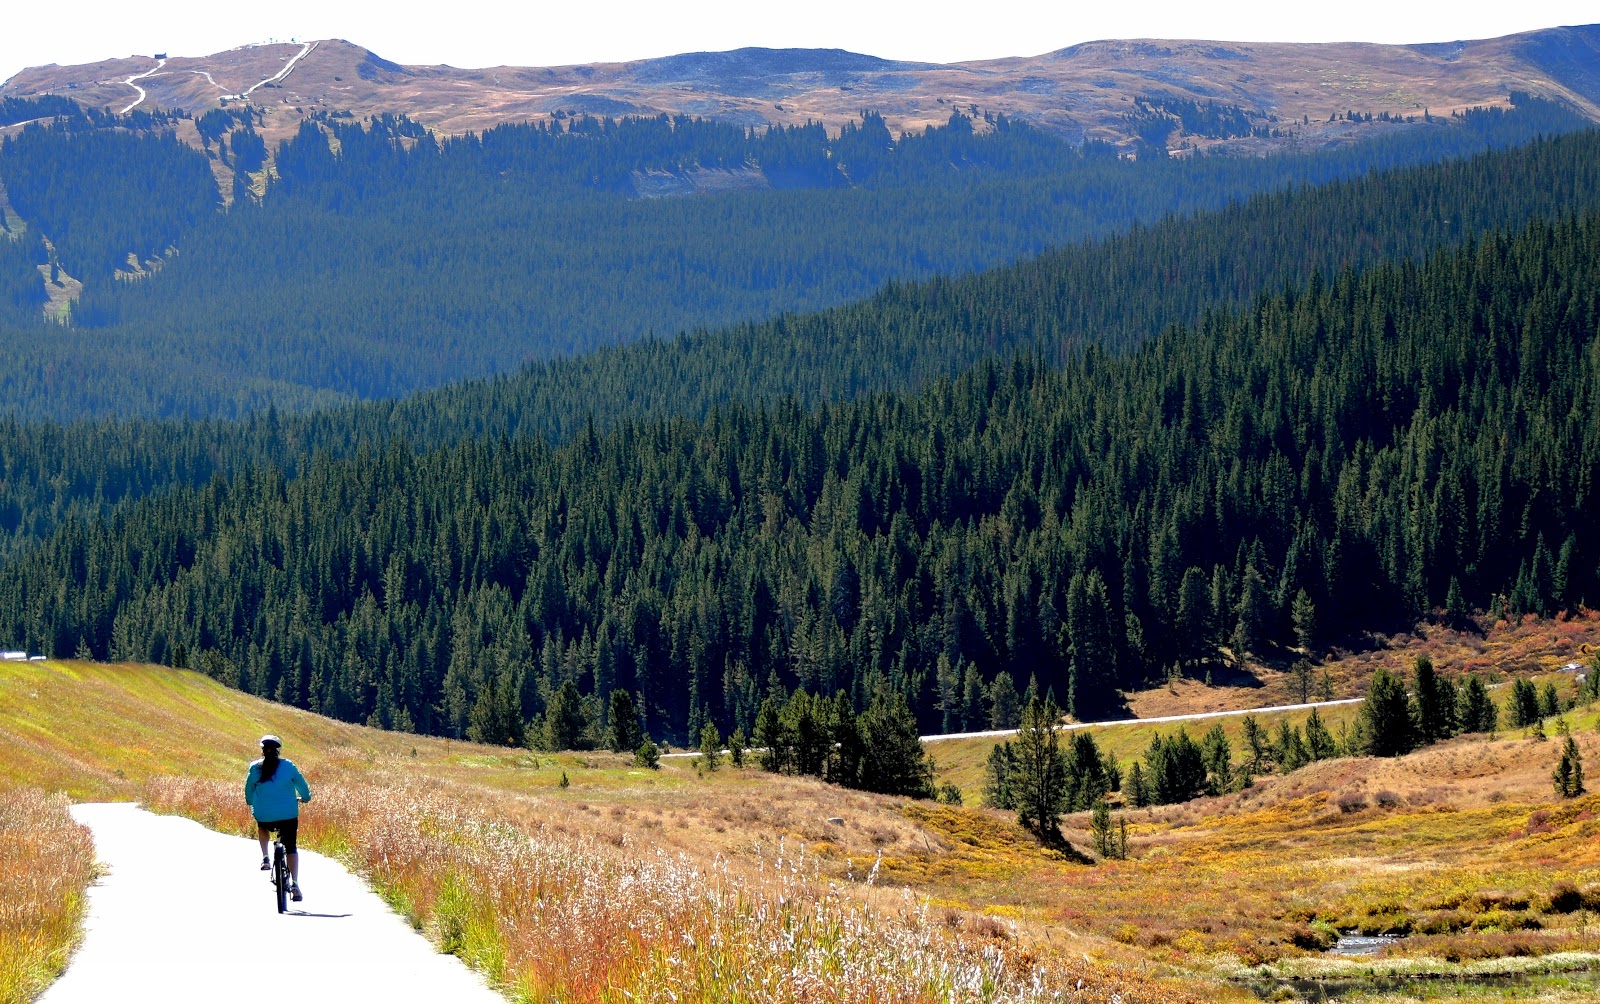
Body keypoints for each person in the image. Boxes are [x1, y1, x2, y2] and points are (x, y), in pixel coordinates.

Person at [245, 734, 312, 901]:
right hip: (288, 815)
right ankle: (295, 884)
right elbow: (303, 787)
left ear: (262, 750)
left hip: (263, 814)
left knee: (262, 825)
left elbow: (248, 792)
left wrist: (251, 802)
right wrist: (305, 798)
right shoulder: (288, 766)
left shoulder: (254, 768)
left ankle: (265, 857)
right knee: (291, 848)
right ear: (278, 751)